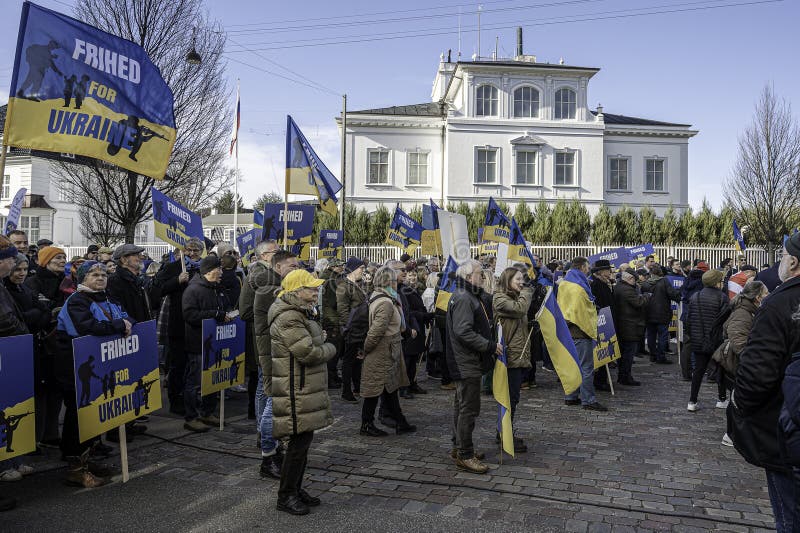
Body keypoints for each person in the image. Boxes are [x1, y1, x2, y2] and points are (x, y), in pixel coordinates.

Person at [729, 233, 800, 532]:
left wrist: (737, 404)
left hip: (785, 429)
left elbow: (757, 374)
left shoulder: (780, 303)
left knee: (789, 520)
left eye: (783, 255)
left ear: (793, 260)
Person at [54, 261, 132, 488]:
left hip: (102, 367)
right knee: (78, 417)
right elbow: (87, 327)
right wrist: (119, 325)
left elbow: (127, 318)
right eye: (95, 274)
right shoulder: (77, 301)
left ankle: (88, 458)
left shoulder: (108, 298)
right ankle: (75, 468)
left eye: (104, 274)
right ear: (83, 279)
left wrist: (126, 324)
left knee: (95, 414)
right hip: (75, 369)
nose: (101, 278)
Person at [268, 269, 336, 515]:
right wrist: (330, 347)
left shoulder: (301, 313)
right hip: (295, 387)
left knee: (303, 442)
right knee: (297, 444)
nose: (316, 291)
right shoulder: (289, 317)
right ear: (298, 292)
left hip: (302, 385)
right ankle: (285, 495)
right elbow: (308, 353)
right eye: (312, 288)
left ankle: (294, 489)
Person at [446, 259, 502, 474]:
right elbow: (463, 331)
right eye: (480, 273)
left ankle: (459, 447)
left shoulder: (468, 295)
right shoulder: (463, 297)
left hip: (468, 360)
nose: (483, 276)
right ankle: (465, 454)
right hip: (465, 361)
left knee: (462, 407)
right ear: (469, 277)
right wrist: (488, 345)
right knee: (468, 409)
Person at [253, 251, 299, 479]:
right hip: (273, 353)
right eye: (292, 266)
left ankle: (274, 449)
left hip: (280, 353)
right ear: (278, 266)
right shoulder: (269, 289)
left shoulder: (280, 286)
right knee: (272, 403)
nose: (297, 269)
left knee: (277, 403)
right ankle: (267, 456)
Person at [359, 266, 417, 436]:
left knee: (389, 388)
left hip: (387, 350)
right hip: (382, 350)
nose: (398, 282)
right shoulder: (385, 302)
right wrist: (366, 349)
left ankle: (400, 421)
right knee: (376, 389)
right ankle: (367, 424)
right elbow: (376, 331)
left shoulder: (382, 297)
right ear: (389, 281)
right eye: (395, 280)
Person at [181, 255, 232, 432]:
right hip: (198, 343)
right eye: (219, 269)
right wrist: (215, 314)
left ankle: (207, 412)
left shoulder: (217, 288)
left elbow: (224, 307)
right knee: (195, 382)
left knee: (213, 378)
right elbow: (190, 315)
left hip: (215, 341)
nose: (222, 272)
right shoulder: (193, 290)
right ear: (210, 271)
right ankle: (191, 417)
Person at [154, 238, 204, 414]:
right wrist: (177, 280)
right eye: (188, 250)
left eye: (195, 251)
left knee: (194, 366)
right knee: (178, 365)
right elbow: (158, 290)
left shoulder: (204, 268)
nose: (191, 253)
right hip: (177, 323)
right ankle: (176, 400)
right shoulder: (173, 267)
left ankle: (192, 398)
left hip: (198, 325)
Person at [717, 280, 768, 447]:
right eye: (765, 293)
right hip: (739, 363)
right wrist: (752, 360)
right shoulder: (743, 312)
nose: (768, 296)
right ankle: (731, 434)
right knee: (737, 400)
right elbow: (738, 341)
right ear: (757, 297)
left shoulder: (750, 310)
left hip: (743, 362)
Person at [0, 237, 32, 486]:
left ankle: (13, 459)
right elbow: (5, 320)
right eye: (10, 258)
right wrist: (22, 331)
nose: (13, 262)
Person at [492, 267, 535, 453]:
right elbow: (520, 309)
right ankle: (504, 435)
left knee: (513, 398)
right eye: (518, 279)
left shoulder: (515, 297)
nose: (522, 282)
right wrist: (527, 292)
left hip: (518, 355)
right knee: (509, 398)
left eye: (522, 280)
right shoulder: (500, 298)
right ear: (508, 280)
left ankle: (503, 431)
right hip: (508, 357)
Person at [239, 240, 280, 422]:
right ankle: (261, 427)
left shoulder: (272, 274)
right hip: (260, 335)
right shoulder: (259, 275)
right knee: (263, 384)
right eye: (274, 252)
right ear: (263, 255)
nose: (278, 255)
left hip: (267, 335)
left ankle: (264, 424)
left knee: (265, 382)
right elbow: (246, 311)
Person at [559, 257, 606, 411]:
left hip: (568, 331)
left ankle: (571, 396)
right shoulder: (578, 287)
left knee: (572, 365)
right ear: (582, 267)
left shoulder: (565, 283)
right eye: (587, 267)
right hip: (580, 330)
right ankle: (588, 400)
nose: (588, 270)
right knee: (586, 368)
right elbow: (577, 311)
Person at [685, 269, 729, 412]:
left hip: (698, 339)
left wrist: (692, 336)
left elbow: (688, 320)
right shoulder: (722, 297)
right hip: (716, 340)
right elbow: (725, 321)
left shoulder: (695, 296)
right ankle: (721, 399)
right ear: (717, 282)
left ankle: (692, 401)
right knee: (720, 369)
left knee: (698, 370)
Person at [336, 257, 368, 403]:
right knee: (348, 361)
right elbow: (342, 310)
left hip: (360, 327)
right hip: (351, 328)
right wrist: (347, 328)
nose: (363, 270)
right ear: (353, 269)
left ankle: (357, 387)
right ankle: (346, 391)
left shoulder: (359, 284)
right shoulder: (344, 286)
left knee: (357, 360)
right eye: (361, 268)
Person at [612, 269, 651, 386]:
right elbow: (638, 302)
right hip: (629, 325)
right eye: (635, 280)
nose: (636, 283)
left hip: (624, 325)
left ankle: (623, 376)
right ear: (630, 279)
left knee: (624, 353)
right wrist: (646, 296)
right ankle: (625, 377)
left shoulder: (619, 286)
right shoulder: (627, 290)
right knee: (628, 354)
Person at [398, 263, 428, 399]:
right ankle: (404, 386)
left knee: (414, 357)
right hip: (409, 327)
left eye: (414, 275)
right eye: (409, 275)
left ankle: (412, 382)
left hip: (417, 326)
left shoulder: (411, 289)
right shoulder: (403, 290)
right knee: (408, 359)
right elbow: (407, 311)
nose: (412, 277)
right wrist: (422, 316)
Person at [642, 265, 681, 364]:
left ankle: (653, 355)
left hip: (648, 313)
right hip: (663, 313)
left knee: (651, 335)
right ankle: (661, 357)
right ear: (660, 272)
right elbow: (673, 294)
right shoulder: (664, 281)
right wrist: (680, 296)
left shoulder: (645, 283)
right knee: (662, 336)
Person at [319, 257, 345, 389]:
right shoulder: (330, 280)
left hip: (330, 317)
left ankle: (333, 376)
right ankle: (330, 378)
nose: (342, 268)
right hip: (331, 319)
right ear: (333, 267)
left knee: (334, 349)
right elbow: (334, 302)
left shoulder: (329, 277)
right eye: (340, 266)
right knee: (333, 349)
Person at [589, 260, 614, 392]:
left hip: (608, 319)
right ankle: (600, 381)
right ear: (601, 271)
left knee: (606, 351)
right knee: (602, 352)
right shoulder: (597, 284)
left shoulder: (606, 282)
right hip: (602, 320)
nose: (610, 272)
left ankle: (602, 379)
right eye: (607, 270)